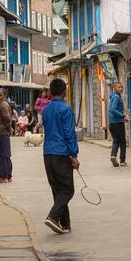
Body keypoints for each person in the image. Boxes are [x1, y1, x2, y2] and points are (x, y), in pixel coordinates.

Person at [41, 78, 79, 234]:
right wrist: (74, 154)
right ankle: (53, 217)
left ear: (50, 92)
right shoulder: (65, 109)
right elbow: (69, 133)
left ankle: (65, 224)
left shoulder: (46, 110)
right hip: (61, 153)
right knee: (68, 189)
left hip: (47, 153)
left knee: (57, 189)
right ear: (64, 92)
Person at [108, 83, 128, 167]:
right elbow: (112, 109)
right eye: (119, 87)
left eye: (122, 87)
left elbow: (114, 110)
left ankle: (113, 155)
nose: (121, 89)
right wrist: (122, 116)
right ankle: (122, 161)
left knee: (116, 140)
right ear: (115, 88)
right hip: (118, 123)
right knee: (123, 141)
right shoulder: (116, 97)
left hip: (111, 123)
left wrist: (123, 117)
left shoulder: (113, 97)